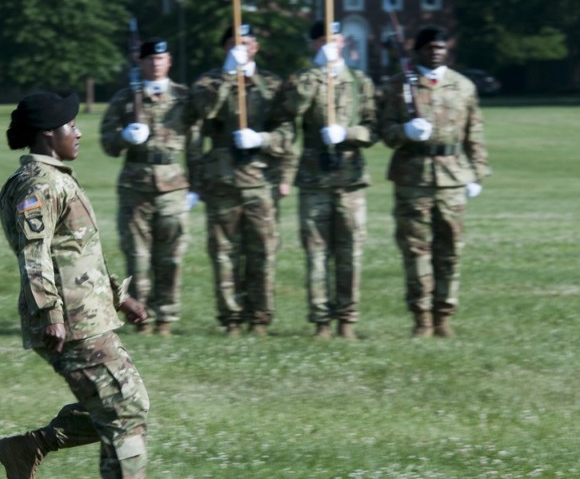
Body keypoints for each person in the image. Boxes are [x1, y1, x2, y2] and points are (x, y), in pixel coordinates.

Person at [0, 91, 152, 479]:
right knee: (123, 409)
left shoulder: (55, 178)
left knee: (125, 405)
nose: (79, 133)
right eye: (72, 126)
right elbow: (35, 255)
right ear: (49, 134)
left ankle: (31, 446)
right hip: (71, 321)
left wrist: (119, 297)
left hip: (89, 314)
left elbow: (76, 253)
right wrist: (51, 314)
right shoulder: (39, 185)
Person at [379, 26, 491, 338]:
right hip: (412, 177)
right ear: (418, 50)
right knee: (416, 250)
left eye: (440, 47)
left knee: (450, 248)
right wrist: (405, 131)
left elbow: (475, 132)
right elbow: (385, 132)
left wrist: (477, 173)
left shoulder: (463, 86)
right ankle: (421, 318)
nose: (435, 52)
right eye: (429, 47)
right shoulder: (399, 85)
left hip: (453, 177)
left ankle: (444, 315)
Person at [272, 20, 380, 339]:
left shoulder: (359, 82)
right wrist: (317, 74)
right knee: (316, 253)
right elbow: (289, 111)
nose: (330, 44)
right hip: (314, 178)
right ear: (314, 45)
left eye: (335, 39)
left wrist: (347, 132)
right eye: (323, 40)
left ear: (343, 42)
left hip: (350, 179)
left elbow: (374, 129)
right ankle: (321, 321)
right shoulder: (302, 80)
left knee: (350, 252)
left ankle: (347, 319)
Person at [188, 23, 291, 336]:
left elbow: (287, 132)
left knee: (263, 251)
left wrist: (262, 139)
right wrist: (228, 76)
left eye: (247, 43)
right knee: (224, 253)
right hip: (223, 180)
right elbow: (203, 113)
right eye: (235, 43)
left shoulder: (272, 84)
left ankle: (260, 318)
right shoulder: (209, 81)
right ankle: (231, 318)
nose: (241, 48)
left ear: (256, 47)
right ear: (225, 49)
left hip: (261, 180)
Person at [99, 38, 196, 337]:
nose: (156, 63)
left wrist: (197, 186)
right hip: (135, 185)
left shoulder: (184, 97)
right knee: (137, 256)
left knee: (171, 256)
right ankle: (141, 317)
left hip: (173, 186)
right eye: (150, 59)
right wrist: (126, 136)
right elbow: (108, 143)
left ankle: (165, 317)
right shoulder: (126, 98)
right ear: (140, 62)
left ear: (169, 61)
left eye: (161, 58)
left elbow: (195, 144)